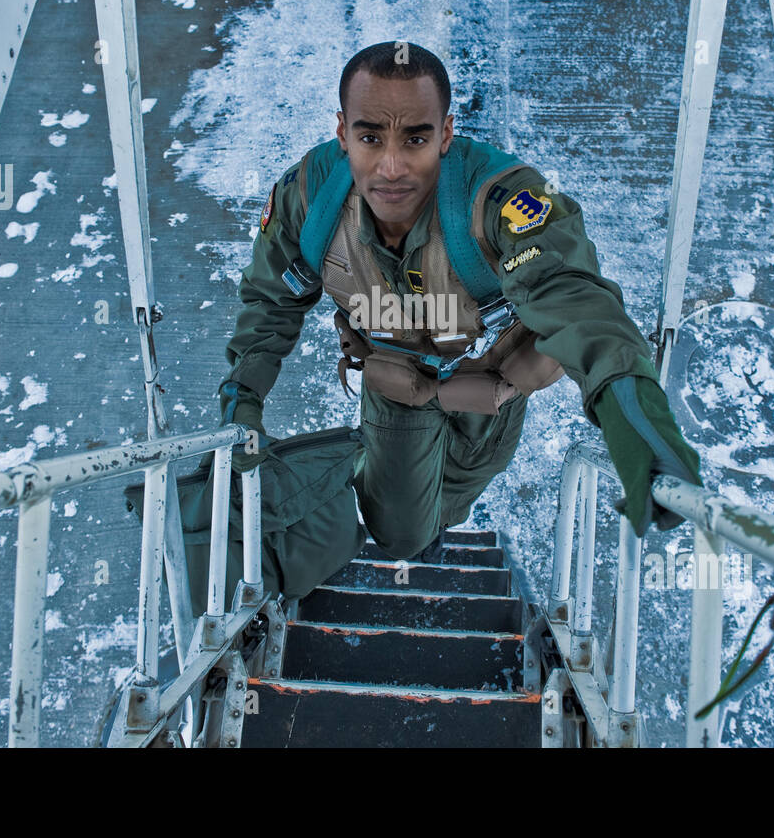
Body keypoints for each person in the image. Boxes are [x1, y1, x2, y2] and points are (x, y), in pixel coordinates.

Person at [218, 41, 701, 568]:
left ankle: (434, 504)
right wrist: (242, 401)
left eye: (416, 138)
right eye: (370, 137)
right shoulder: (309, 198)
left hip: (490, 381)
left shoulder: (502, 201)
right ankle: (389, 484)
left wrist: (636, 424)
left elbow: (578, 306)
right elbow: (271, 301)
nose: (393, 167)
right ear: (342, 132)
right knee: (400, 534)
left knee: (456, 494)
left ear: (446, 133)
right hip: (397, 377)